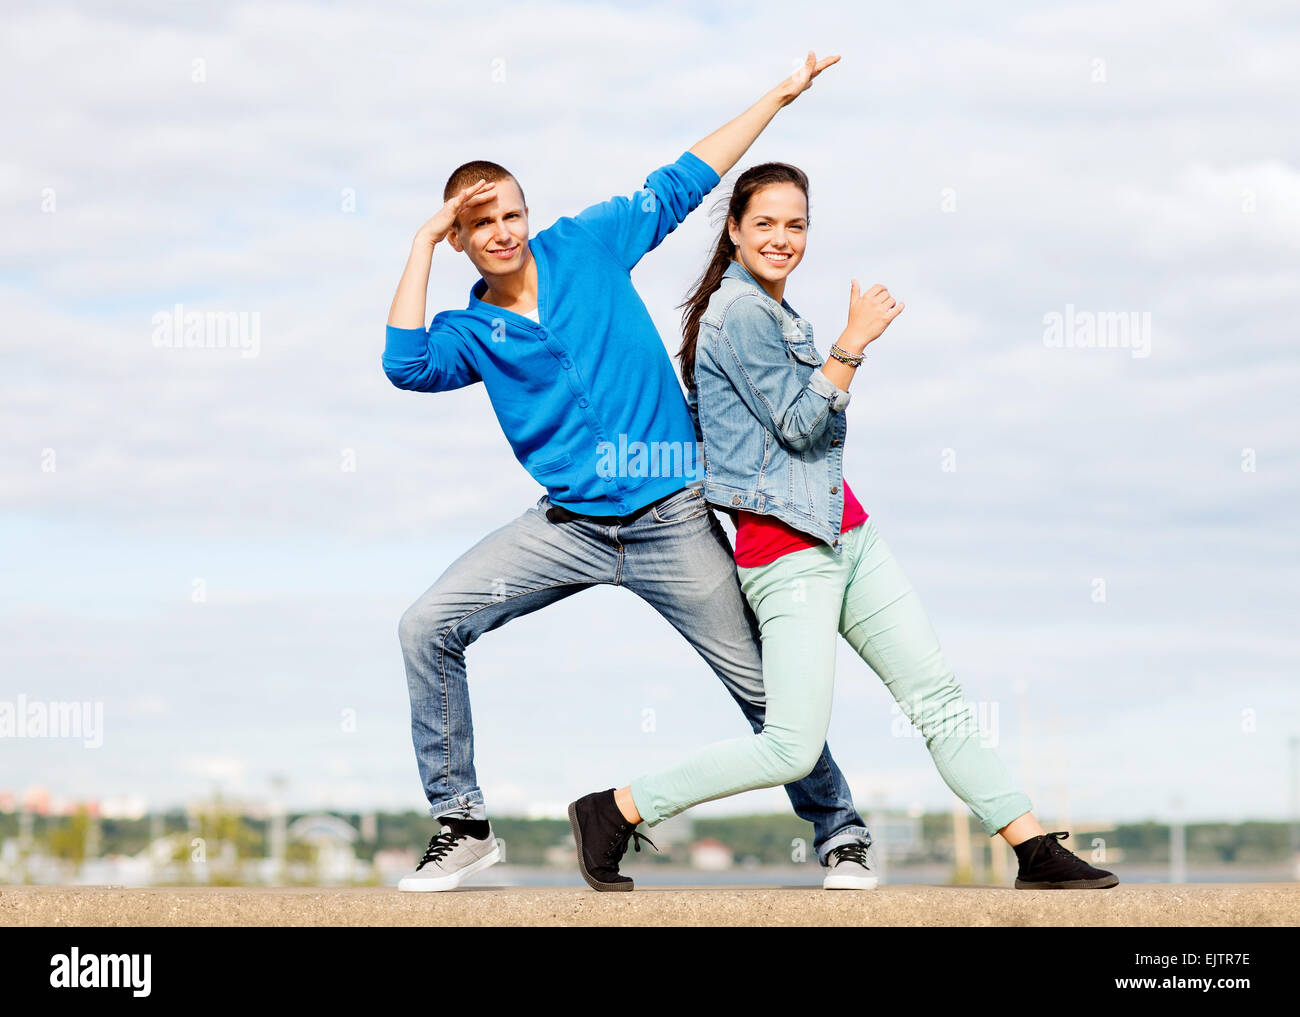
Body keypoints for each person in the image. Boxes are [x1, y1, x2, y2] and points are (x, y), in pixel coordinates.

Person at [383, 54, 880, 891]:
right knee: (424, 626)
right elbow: (405, 363)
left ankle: (841, 830)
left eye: (511, 212)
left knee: (764, 689)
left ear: (527, 214)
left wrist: (777, 97)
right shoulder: (470, 330)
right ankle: (462, 823)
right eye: (479, 224)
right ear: (462, 239)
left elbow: (687, 178)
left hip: (673, 519)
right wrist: (420, 241)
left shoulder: (586, 243)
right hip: (565, 528)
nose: (501, 231)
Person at [567, 162, 1120, 891]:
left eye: (795, 225)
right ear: (733, 229)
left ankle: (1031, 848)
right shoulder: (739, 315)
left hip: (849, 534)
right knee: (791, 747)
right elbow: (799, 428)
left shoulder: (773, 310)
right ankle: (618, 808)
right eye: (764, 223)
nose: (782, 238)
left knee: (938, 699)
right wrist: (853, 344)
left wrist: (839, 347)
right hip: (788, 556)